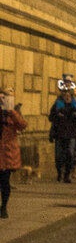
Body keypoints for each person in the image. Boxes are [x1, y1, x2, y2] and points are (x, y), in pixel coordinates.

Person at [0, 86, 26, 219]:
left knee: (5, 181)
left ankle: (4, 207)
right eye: (4, 95)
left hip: (8, 152)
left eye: (10, 96)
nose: (7, 98)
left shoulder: (15, 111)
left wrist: (11, 112)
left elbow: (22, 125)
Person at [48, 76, 76, 183]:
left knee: (70, 154)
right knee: (58, 156)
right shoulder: (57, 105)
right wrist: (57, 116)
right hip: (59, 133)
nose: (67, 97)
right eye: (65, 95)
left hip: (71, 134)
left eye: (69, 95)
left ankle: (67, 174)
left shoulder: (75, 106)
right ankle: (59, 173)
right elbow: (51, 117)